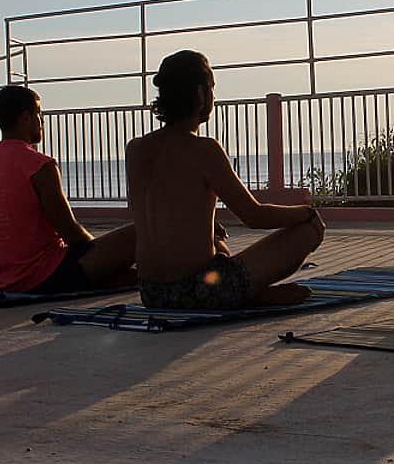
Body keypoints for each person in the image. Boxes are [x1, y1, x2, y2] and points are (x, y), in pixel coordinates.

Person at [125, 50, 325, 310]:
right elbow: (254, 216)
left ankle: (246, 292)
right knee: (306, 232)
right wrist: (307, 213)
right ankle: (252, 295)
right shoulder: (204, 150)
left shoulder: (135, 149)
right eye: (211, 87)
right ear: (200, 93)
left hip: (152, 293)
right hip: (198, 292)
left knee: (218, 245)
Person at [0, 85, 136, 293]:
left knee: (131, 277)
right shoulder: (39, 165)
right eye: (39, 113)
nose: (42, 121)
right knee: (140, 231)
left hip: (4, 280)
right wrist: (100, 252)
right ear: (26, 117)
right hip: (43, 275)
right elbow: (71, 232)